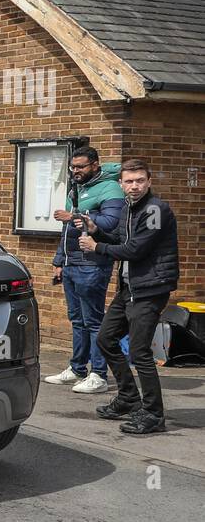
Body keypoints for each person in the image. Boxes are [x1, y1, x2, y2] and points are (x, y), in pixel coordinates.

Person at [78, 159, 179, 434]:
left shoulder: (156, 210)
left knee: (139, 352)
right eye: (129, 181)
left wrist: (95, 246)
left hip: (150, 289)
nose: (134, 186)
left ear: (149, 181)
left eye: (139, 180)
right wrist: (98, 231)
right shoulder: (128, 209)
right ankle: (128, 398)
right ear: (121, 184)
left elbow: (135, 250)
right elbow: (121, 241)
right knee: (106, 339)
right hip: (129, 289)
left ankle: (154, 415)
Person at [44, 146, 125, 394]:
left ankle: (98, 374)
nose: (76, 171)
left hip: (92, 263)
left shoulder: (110, 189)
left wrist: (74, 215)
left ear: (95, 165)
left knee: (93, 321)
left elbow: (111, 223)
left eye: (81, 167)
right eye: (73, 167)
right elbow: (66, 231)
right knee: (77, 320)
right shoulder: (76, 188)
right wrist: (59, 261)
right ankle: (77, 368)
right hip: (71, 263)